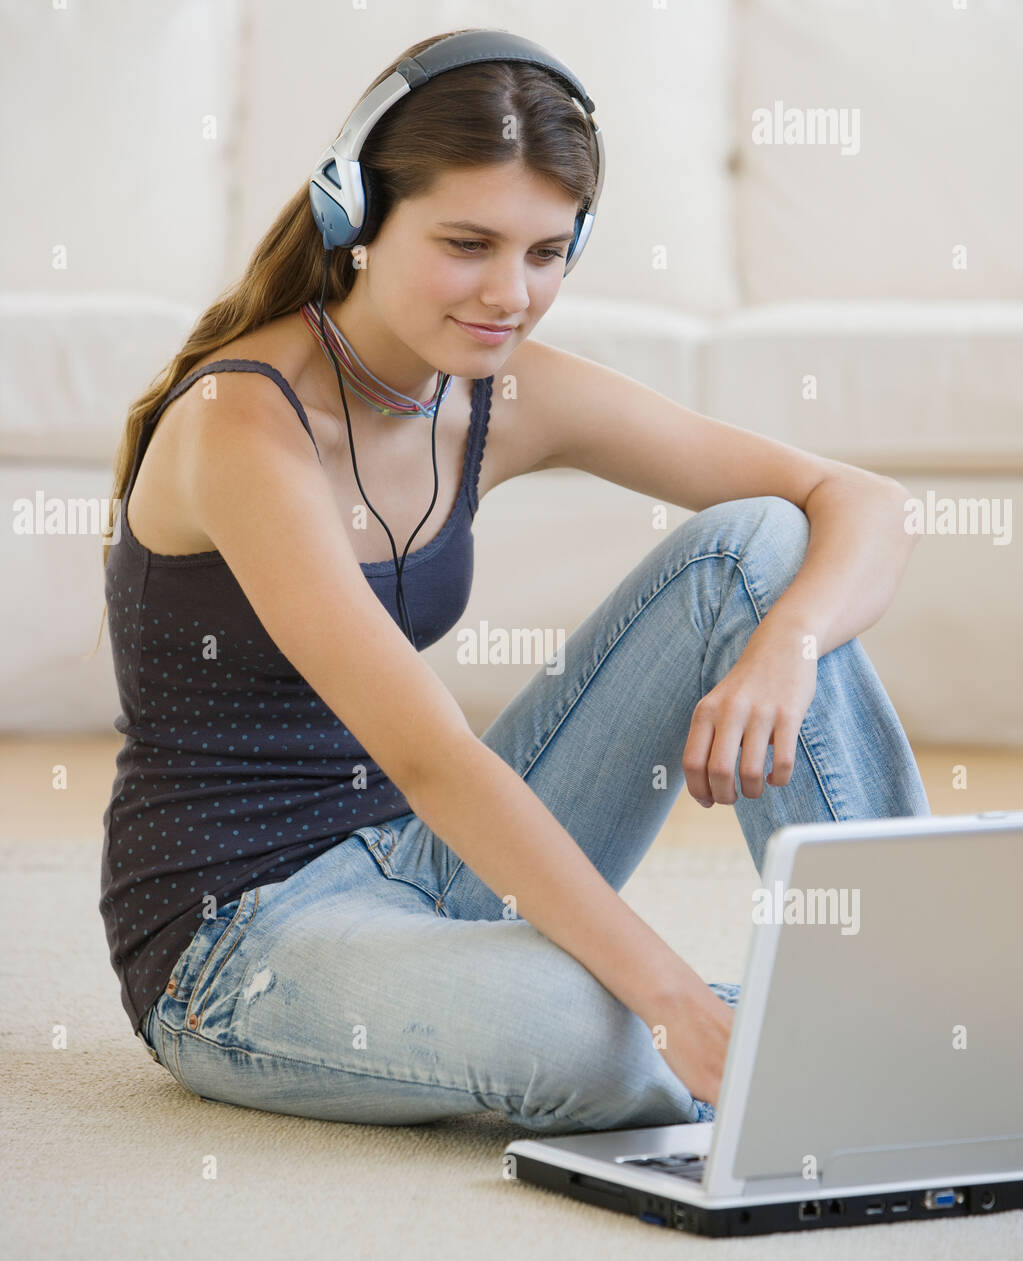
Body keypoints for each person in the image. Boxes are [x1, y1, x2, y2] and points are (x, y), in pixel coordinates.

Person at [98, 29, 930, 1135]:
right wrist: (671, 997)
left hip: (418, 858)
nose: (510, 292)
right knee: (588, 1038)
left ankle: (910, 999)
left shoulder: (498, 390)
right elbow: (429, 755)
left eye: (547, 252)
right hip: (239, 935)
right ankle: (824, 1043)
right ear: (356, 219)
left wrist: (788, 642)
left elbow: (859, 499)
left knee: (760, 548)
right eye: (468, 242)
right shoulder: (242, 423)